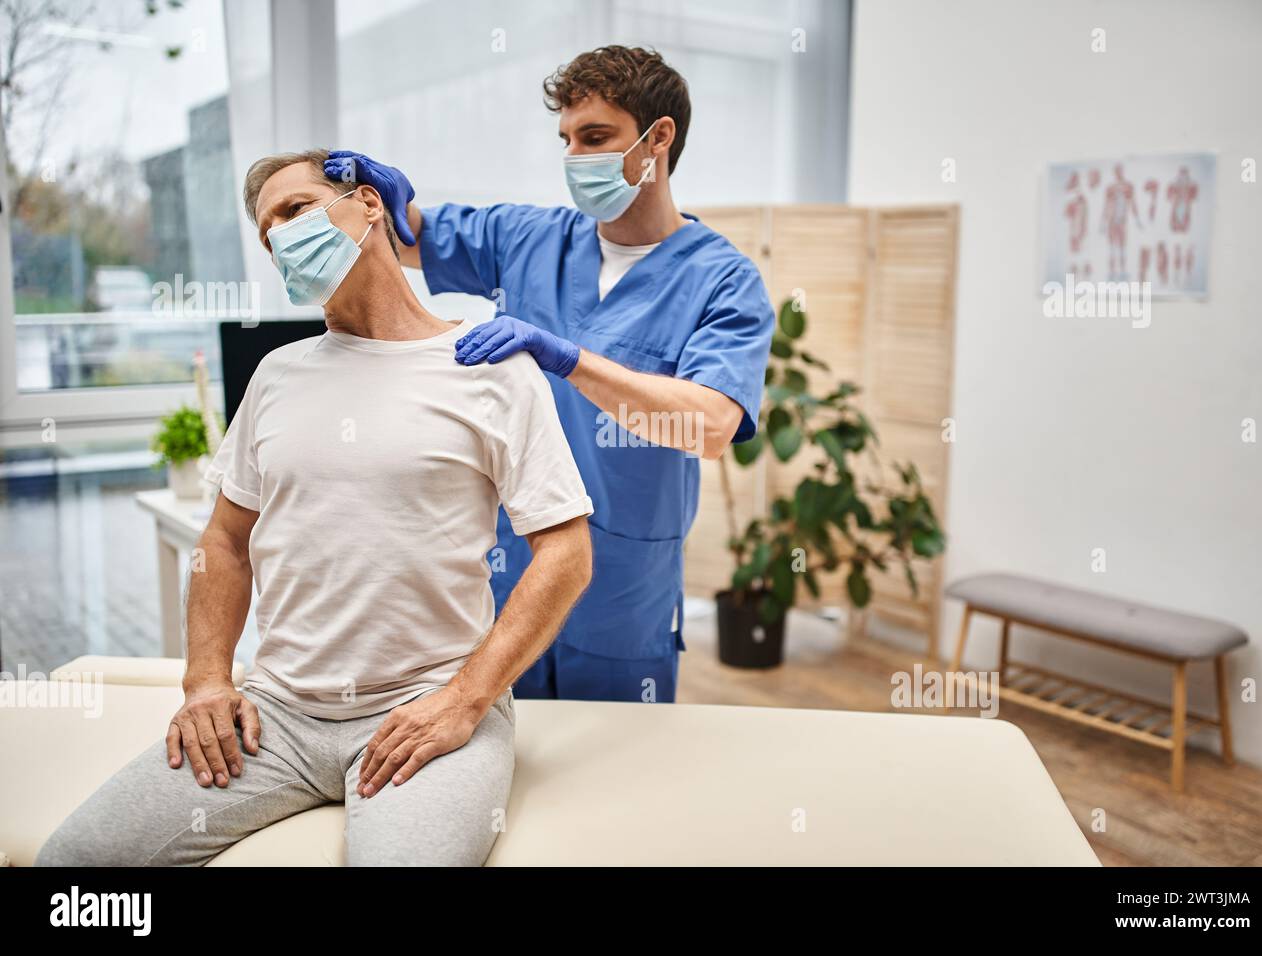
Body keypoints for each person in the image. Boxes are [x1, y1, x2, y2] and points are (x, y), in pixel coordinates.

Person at [35, 149, 593, 867]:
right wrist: (206, 679)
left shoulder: (489, 369)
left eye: (295, 210)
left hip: (422, 706)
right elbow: (225, 542)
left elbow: (567, 552)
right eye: (268, 232)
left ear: (367, 206)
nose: (280, 238)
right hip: (278, 716)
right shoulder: (278, 375)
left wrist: (465, 699)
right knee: (70, 867)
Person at [326, 46, 774, 703]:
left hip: (623, 590)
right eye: (566, 139)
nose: (575, 157)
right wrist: (388, 202)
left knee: (612, 774)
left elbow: (709, 425)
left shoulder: (723, 280)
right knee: (506, 756)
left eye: (595, 137)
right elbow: (415, 237)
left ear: (658, 140)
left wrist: (570, 358)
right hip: (516, 565)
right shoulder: (531, 238)